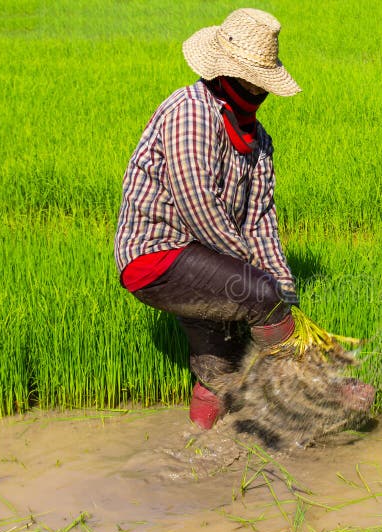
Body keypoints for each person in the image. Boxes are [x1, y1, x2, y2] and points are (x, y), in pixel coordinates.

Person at [114, 8, 302, 430]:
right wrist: (260, 286)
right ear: (227, 73)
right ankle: (299, 396)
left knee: (220, 368)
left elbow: (261, 221)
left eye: (262, 83)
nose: (258, 91)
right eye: (252, 81)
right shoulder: (190, 112)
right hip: (158, 258)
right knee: (258, 294)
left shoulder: (258, 141)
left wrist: (285, 292)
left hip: (204, 261)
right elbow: (196, 202)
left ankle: (195, 452)